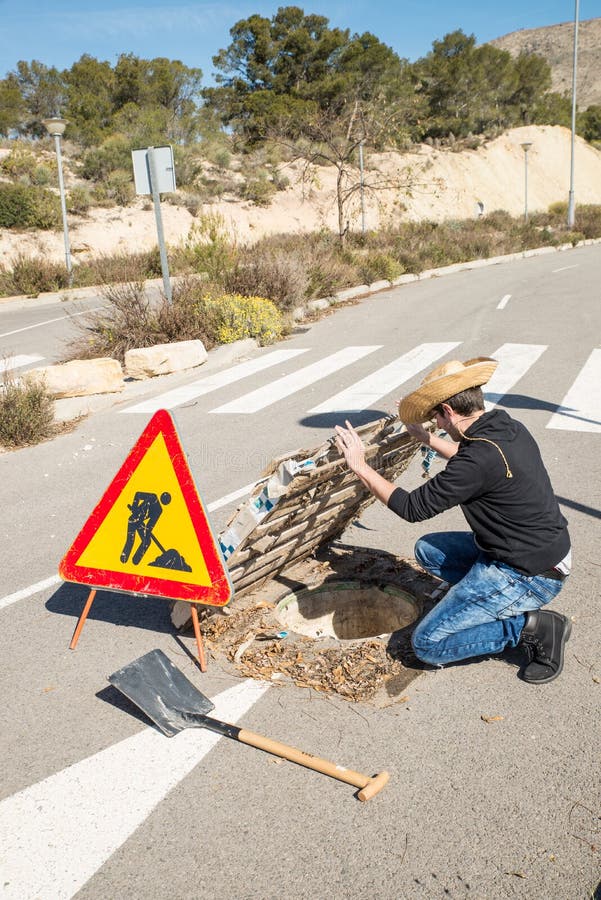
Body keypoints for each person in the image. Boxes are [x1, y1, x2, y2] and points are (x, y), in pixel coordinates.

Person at [334, 357, 571, 684]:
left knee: (428, 644)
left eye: (436, 417)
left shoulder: (479, 458)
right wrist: (425, 438)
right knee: (428, 550)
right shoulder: (504, 426)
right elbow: (473, 463)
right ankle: (480, 603)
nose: (438, 424)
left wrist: (360, 465)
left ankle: (532, 626)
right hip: (537, 550)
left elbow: (412, 508)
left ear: (448, 410)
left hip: (529, 574)